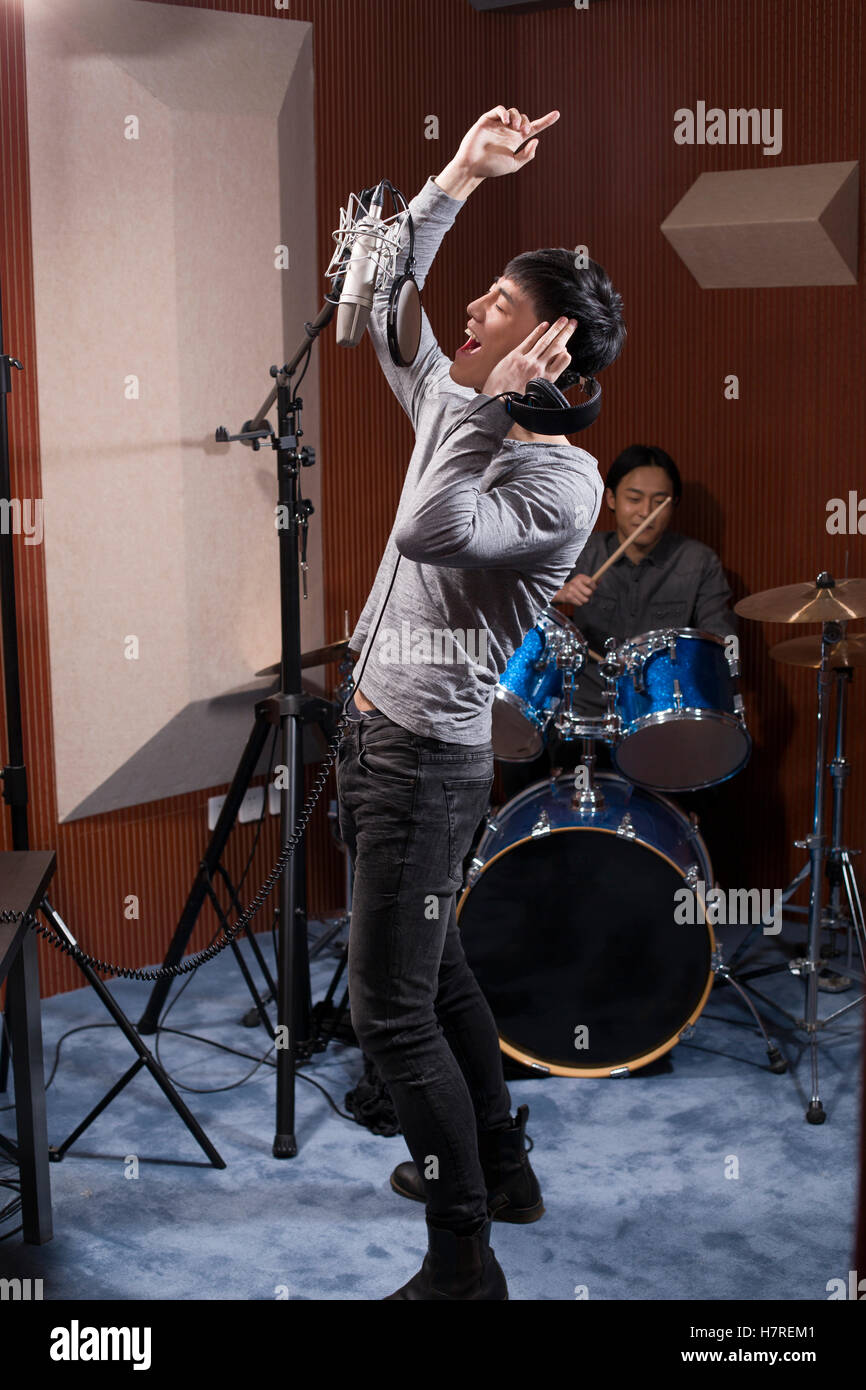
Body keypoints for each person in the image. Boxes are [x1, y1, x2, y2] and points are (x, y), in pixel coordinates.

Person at [336, 105, 626, 1300]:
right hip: (374, 735)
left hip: (424, 759)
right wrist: (453, 175)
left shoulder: (558, 477)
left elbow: (424, 525)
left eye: (496, 305)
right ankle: (500, 1165)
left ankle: (462, 1253)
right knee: (433, 963)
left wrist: (488, 405)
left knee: (387, 1012)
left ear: (549, 347)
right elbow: (371, 310)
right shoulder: (459, 406)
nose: (467, 313)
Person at [499, 445, 740, 878]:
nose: (645, 511)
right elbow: (508, 597)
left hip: (655, 720)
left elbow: (721, 642)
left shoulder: (698, 562)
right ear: (610, 499)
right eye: (634, 498)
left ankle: (679, 903)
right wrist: (557, 593)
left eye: (660, 501)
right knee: (516, 759)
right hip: (582, 714)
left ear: (674, 504)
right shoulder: (579, 552)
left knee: (712, 783)